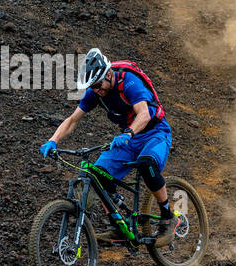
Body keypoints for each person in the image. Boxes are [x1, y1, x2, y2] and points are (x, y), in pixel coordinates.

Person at [39, 48, 175, 238]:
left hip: (155, 132)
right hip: (130, 138)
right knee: (98, 174)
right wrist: (53, 140)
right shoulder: (95, 93)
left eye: (98, 84)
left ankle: (168, 216)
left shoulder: (129, 82)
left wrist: (128, 133)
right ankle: (117, 225)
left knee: (146, 163)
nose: (96, 90)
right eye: (92, 87)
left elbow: (143, 114)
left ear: (108, 74)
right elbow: (73, 120)